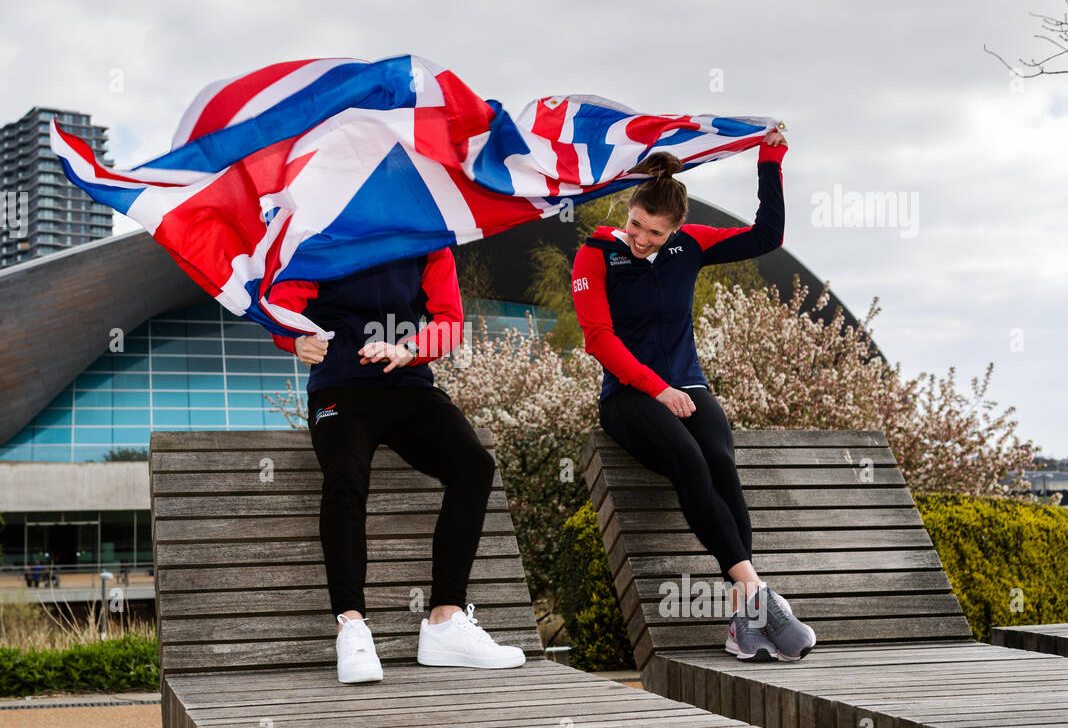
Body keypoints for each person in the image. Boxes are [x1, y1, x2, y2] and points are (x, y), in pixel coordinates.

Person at [569, 129, 817, 662]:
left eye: (655, 234)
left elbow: (766, 236)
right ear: (627, 209)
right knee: (687, 459)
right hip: (628, 397)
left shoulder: (692, 245)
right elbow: (598, 339)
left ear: (675, 229)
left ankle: (744, 621)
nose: (642, 239)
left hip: (689, 386)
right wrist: (657, 389)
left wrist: (769, 158)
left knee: (721, 462)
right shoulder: (595, 255)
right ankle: (756, 593)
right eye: (636, 225)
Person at [272, 246, 526, 683]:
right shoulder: (321, 234)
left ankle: (445, 622)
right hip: (340, 388)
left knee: (474, 467)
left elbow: (450, 324)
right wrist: (293, 339)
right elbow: (281, 307)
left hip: (407, 383)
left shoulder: (429, 238)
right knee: (346, 475)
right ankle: (351, 626)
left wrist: (410, 349)